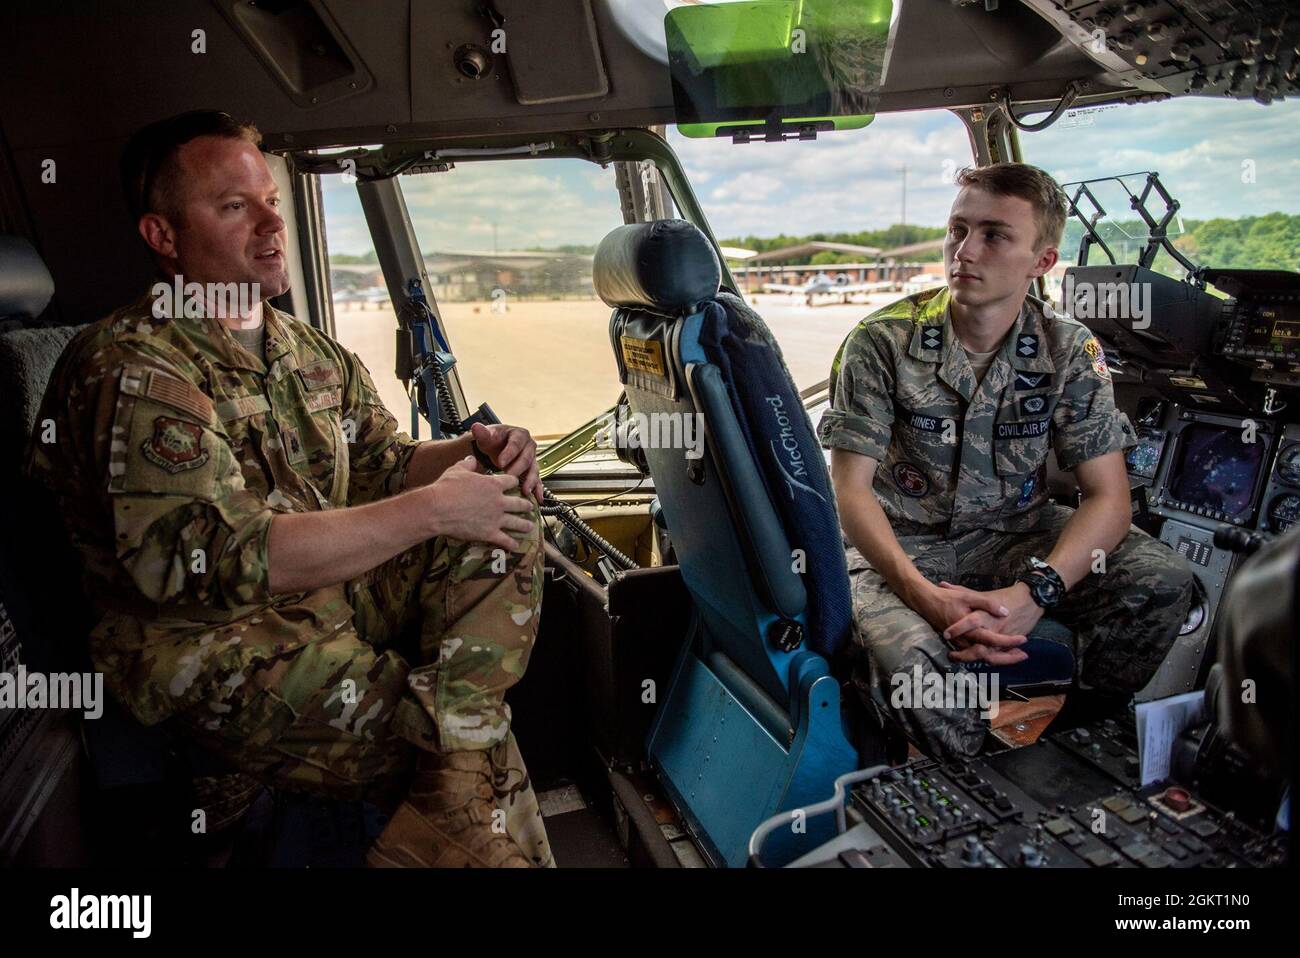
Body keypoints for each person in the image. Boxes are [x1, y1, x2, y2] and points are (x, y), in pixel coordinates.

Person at [25, 111, 550, 867]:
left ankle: (454, 763)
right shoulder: (133, 368)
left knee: (507, 519)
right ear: (163, 237)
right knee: (465, 753)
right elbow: (209, 562)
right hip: (205, 644)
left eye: (271, 199)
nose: (273, 223)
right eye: (235, 206)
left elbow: (384, 462)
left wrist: (477, 452)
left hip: (324, 596)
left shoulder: (304, 348)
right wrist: (431, 509)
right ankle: (461, 773)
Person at [818, 162, 1194, 762]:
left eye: (994, 235)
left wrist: (1036, 593)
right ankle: (960, 797)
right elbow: (850, 492)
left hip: (1013, 537)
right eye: (957, 229)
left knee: (1162, 582)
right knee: (924, 677)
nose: (965, 251)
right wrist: (921, 595)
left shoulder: (1070, 349)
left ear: (1042, 262)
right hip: (894, 545)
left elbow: (1108, 498)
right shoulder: (881, 342)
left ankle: (1070, 754)